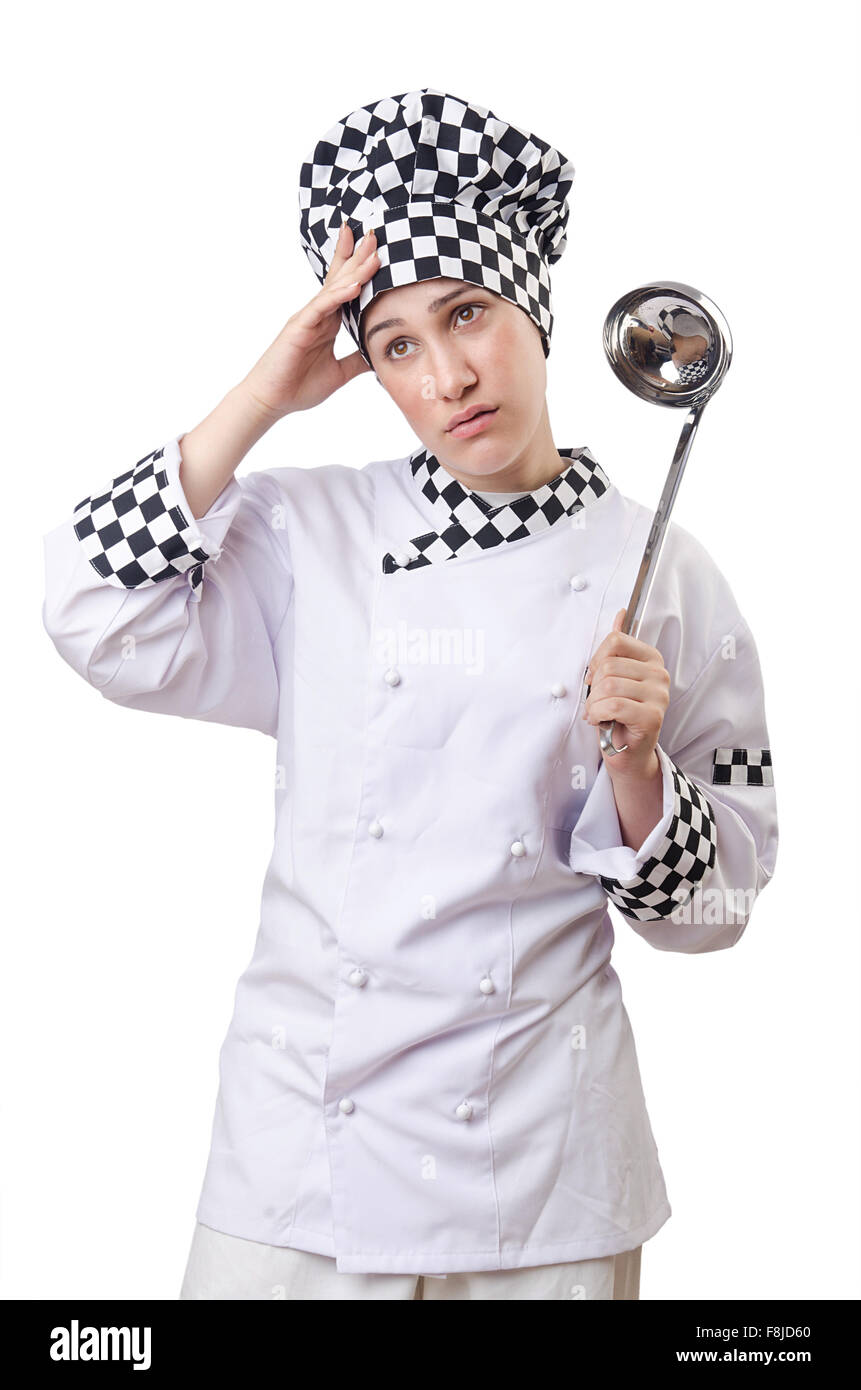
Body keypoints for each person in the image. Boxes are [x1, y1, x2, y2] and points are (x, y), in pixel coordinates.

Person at [41, 88, 778, 1301]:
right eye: (396, 345)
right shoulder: (303, 532)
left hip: (543, 1168)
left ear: (532, 311)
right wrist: (265, 394)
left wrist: (643, 769)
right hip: (298, 1165)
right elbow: (89, 611)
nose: (447, 375)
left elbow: (721, 907)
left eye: (470, 314)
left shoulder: (666, 574)